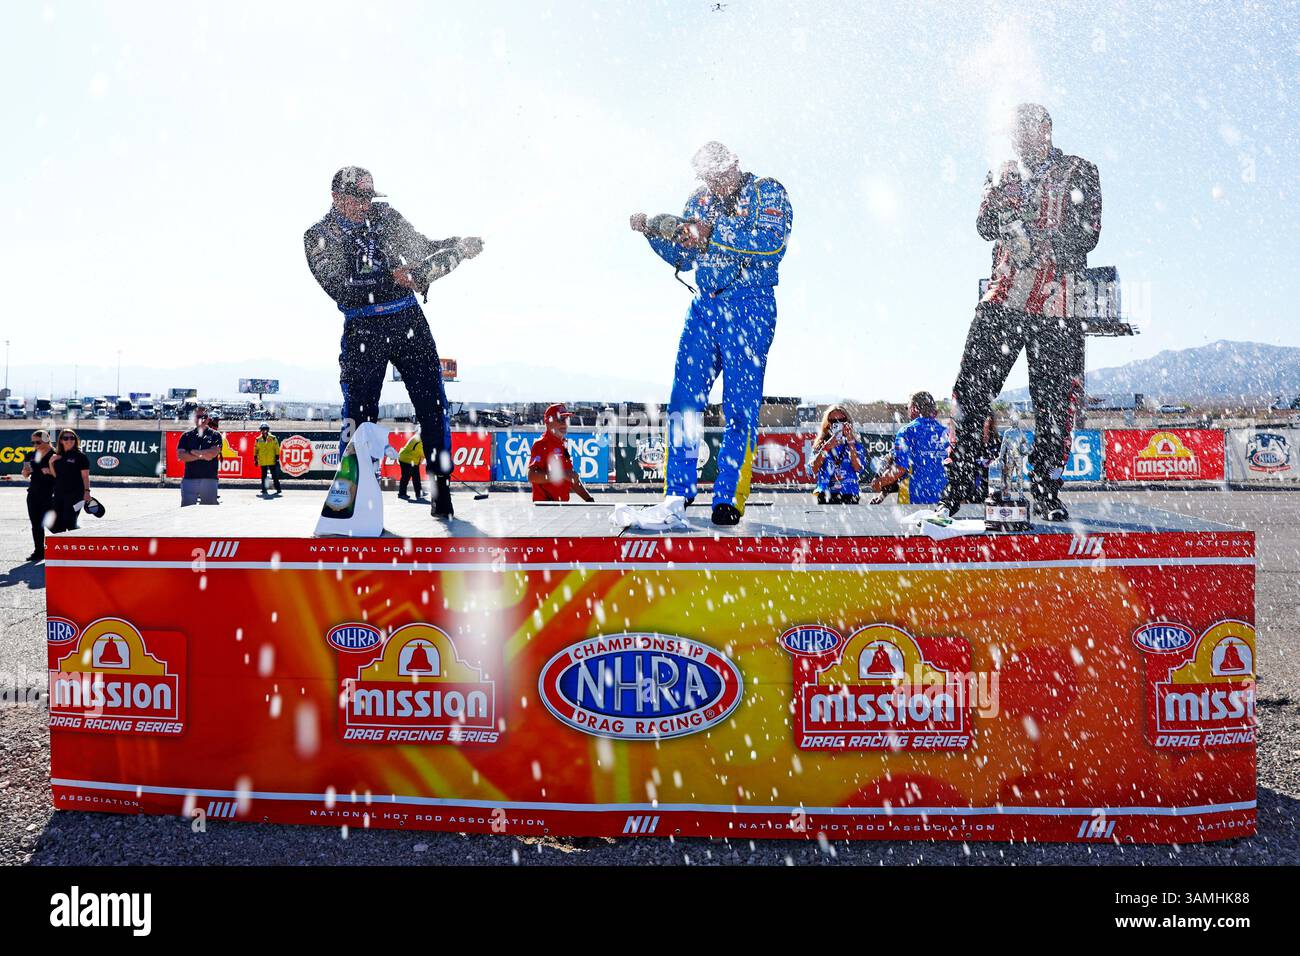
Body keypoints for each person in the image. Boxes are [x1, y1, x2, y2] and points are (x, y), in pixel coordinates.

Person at [939, 104, 1100, 521]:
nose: (1020, 138)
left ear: (1046, 129)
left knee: (1054, 402)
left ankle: (1046, 490)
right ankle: (956, 488)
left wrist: (1036, 239)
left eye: (1028, 129)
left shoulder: (1079, 170)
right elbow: (983, 226)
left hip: (1058, 306)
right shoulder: (1001, 170)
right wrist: (1003, 201)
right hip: (1002, 301)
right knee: (970, 392)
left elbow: (1088, 235)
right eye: (1014, 131)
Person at [304, 166, 484, 519]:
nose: (366, 204)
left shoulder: (385, 216)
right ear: (336, 197)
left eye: (370, 197)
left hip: (408, 321)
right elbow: (340, 288)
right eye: (358, 197)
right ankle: (355, 499)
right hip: (363, 330)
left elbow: (420, 245)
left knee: (434, 407)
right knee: (359, 415)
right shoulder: (318, 236)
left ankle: (440, 492)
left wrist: (456, 246)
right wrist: (394, 279)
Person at [628, 142, 792, 527]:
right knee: (683, 402)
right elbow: (685, 258)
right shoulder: (698, 200)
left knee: (739, 407)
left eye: (717, 175)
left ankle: (728, 498)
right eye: (706, 178)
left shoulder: (768, 190)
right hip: (704, 306)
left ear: (734, 163)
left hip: (749, 304)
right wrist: (654, 234)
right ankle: (677, 493)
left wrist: (713, 231)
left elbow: (772, 247)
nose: (712, 184)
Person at [872, 391, 950, 505]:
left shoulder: (907, 431)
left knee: (913, 523)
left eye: (907, 407)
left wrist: (878, 483)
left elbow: (900, 468)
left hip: (914, 497)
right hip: (944, 498)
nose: (907, 411)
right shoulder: (946, 432)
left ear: (913, 408)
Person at [528, 404, 595, 503]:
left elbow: (570, 477)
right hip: (545, 508)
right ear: (548, 422)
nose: (564, 423)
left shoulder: (562, 443)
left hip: (560, 506)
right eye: (560, 419)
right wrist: (561, 474)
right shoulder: (541, 444)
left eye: (566, 419)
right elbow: (532, 476)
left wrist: (589, 499)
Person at [809, 405, 866, 504]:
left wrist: (851, 443)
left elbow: (858, 468)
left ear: (848, 422)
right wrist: (826, 448)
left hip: (849, 493)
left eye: (842, 420)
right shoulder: (820, 444)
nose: (838, 423)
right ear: (828, 424)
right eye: (833, 421)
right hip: (825, 493)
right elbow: (813, 469)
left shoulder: (856, 444)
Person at [46, 429, 91, 532]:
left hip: (75, 495)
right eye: (66, 438)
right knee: (54, 524)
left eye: (72, 438)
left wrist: (87, 492)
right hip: (59, 494)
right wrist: (50, 463)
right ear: (61, 441)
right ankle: (63, 546)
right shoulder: (58, 456)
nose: (69, 440)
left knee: (70, 522)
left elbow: (85, 476)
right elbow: (56, 475)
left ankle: (75, 545)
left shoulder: (80, 456)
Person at [176, 406, 222, 506]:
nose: (202, 419)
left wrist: (192, 452)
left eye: (204, 416)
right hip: (189, 479)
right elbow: (181, 456)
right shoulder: (186, 436)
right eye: (199, 416)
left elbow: (212, 454)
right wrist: (203, 455)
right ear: (194, 418)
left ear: (209, 419)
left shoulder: (216, 435)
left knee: (208, 514)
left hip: (209, 479)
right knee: (187, 512)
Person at [20, 430, 55, 561]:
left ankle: (66, 548)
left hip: (50, 494)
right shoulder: (30, 455)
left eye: (38, 442)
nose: (35, 444)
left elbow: (63, 475)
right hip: (33, 493)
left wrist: (51, 472)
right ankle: (39, 551)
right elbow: (25, 473)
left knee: (54, 525)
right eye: (33, 442)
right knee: (36, 524)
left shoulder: (55, 454)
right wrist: (25, 471)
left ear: (46, 439)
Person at [254, 423, 283, 495]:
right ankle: (264, 489)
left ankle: (278, 488)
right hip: (263, 460)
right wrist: (255, 459)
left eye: (266, 429)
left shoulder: (273, 438)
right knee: (264, 476)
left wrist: (277, 458)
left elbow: (277, 448)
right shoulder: (258, 439)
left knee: (274, 475)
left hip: (272, 460)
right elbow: (255, 449)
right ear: (261, 430)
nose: (264, 431)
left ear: (268, 430)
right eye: (263, 429)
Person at [397, 431, 425, 499]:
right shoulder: (419, 440)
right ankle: (401, 494)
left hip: (411, 459)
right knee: (406, 477)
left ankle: (419, 493)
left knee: (416, 477)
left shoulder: (417, 437)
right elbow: (422, 453)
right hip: (407, 459)